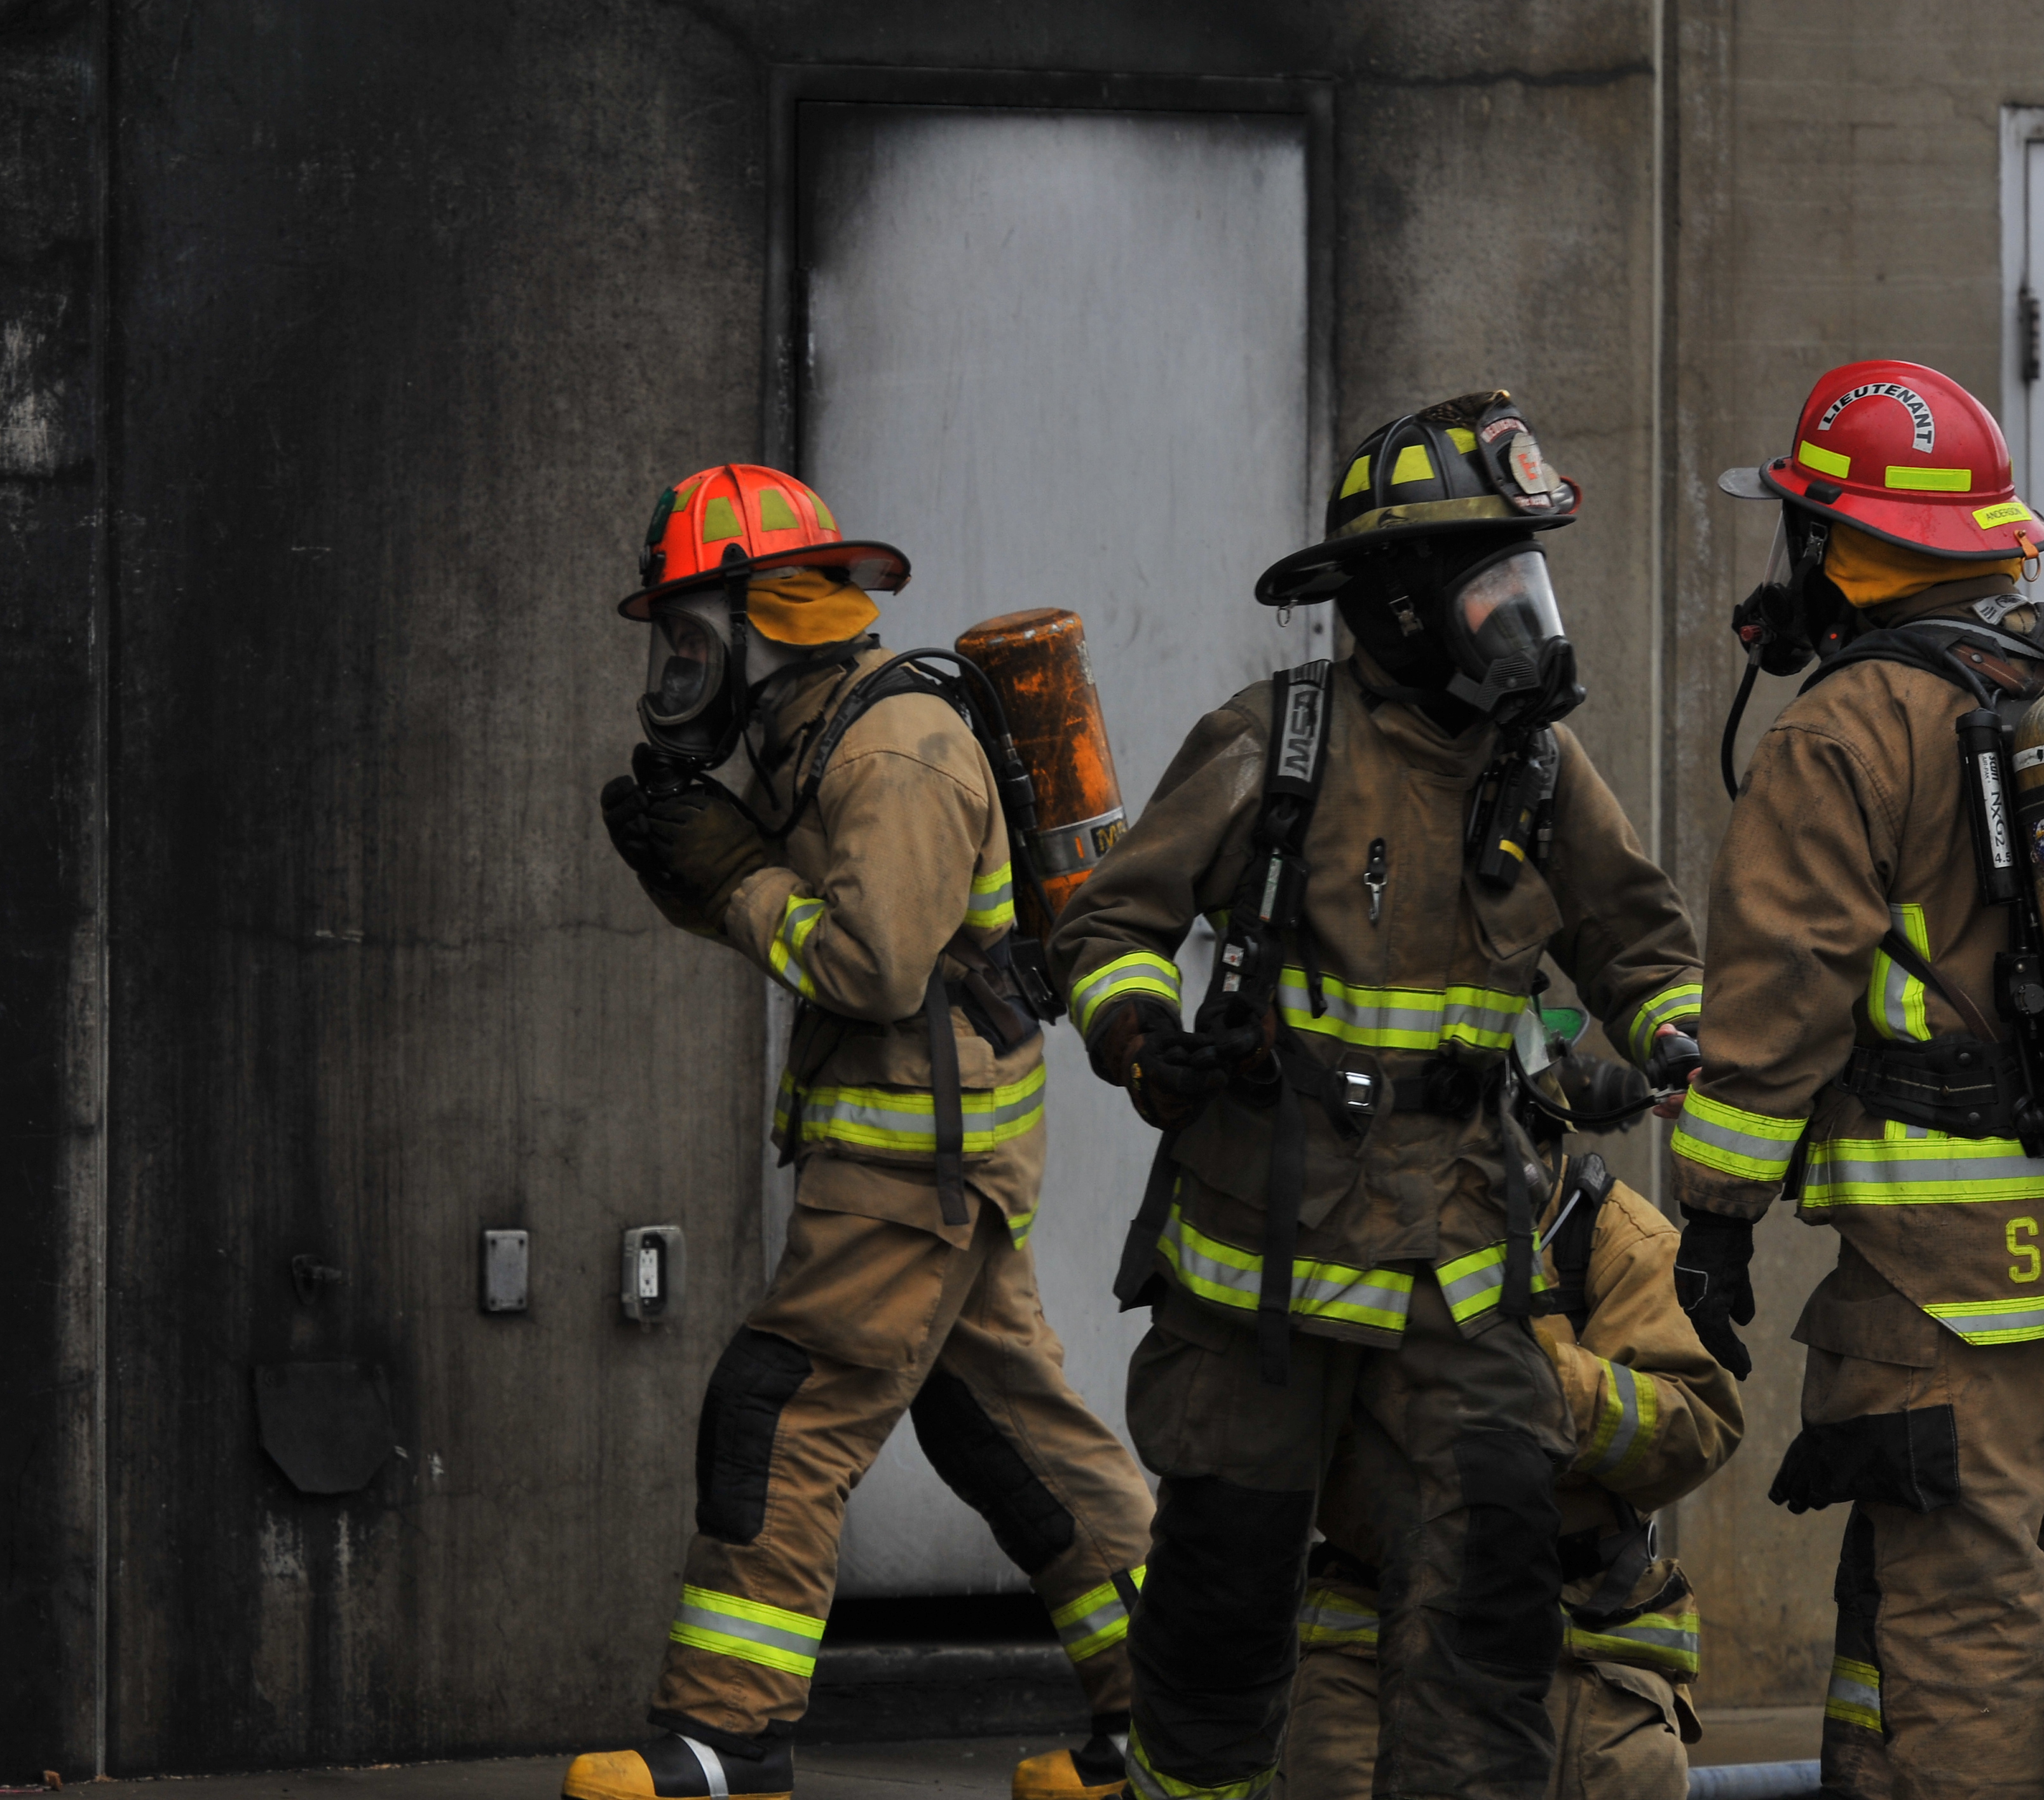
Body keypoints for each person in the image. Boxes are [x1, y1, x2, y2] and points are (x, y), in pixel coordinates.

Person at [1050, 390, 1707, 1800]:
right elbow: (1106, 929)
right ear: (1403, 606)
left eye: (1528, 579)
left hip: (1461, 1268)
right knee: (1218, 1633)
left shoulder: (1535, 763)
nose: (1524, 617)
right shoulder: (1272, 745)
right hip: (1255, 1286)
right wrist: (1143, 1040)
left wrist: (1672, 1041)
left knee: (1486, 1622)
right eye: (1493, 586)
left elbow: (1639, 940)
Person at [564, 464, 1157, 1800]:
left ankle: (727, 1736)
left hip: (911, 1159)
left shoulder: (890, 752)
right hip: (935, 1153)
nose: (678, 665)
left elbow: (872, 967)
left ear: (766, 617)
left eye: (691, 633)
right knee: (1011, 1433)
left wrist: (725, 875)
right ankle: (1187, 1715)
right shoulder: (822, 732)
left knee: (779, 1412)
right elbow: (801, 917)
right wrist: (689, 870)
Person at [1671, 360, 2044, 1800]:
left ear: (1832, 546)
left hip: (1946, 1282)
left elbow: (1778, 994)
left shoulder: (1844, 728)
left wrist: (1717, 1216)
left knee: (1963, 1616)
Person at [1283, 1117, 1743, 1800]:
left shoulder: (1606, 1231)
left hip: (1585, 1655)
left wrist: (1538, 1385)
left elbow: (1695, 1426)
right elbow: (1265, 1431)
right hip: (1372, 1643)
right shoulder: (1340, 1229)